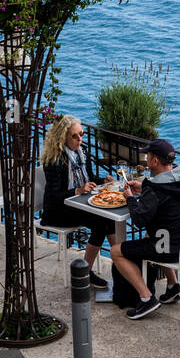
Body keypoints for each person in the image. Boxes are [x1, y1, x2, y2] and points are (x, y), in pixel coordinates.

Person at [109, 139, 180, 320]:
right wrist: (144, 188)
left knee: (116, 251)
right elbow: (166, 198)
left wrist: (130, 198)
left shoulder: (155, 189)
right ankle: (173, 286)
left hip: (167, 248)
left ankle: (146, 297)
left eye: (148, 155)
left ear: (155, 161)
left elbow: (139, 220)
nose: (145, 157)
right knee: (152, 232)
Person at [39, 114, 116, 288]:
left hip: (79, 204)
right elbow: (53, 196)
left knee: (109, 220)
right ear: (63, 137)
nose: (80, 139)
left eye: (81, 134)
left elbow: (90, 177)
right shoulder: (54, 160)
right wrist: (78, 190)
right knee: (101, 223)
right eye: (75, 136)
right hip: (57, 211)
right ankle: (86, 272)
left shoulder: (82, 153)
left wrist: (103, 180)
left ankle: (121, 263)